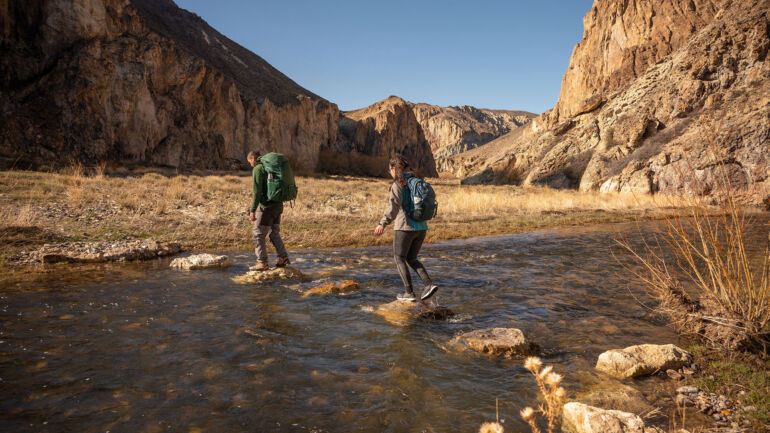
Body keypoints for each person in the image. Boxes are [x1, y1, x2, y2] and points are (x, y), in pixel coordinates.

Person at [374, 155, 439, 301]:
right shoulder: (417, 181)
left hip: (405, 227)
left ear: (393, 168)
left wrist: (382, 223)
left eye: (389, 169)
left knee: (399, 258)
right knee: (412, 258)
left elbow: (393, 207)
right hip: (422, 227)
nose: (389, 172)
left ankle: (409, 293)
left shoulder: (398, 184)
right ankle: (429, 285)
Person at [247, 150, 290, 270]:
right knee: (274, 233)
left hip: (266, 207)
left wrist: (252, 210)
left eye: (249, 162)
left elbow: (256, 191)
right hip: (278, 205)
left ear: (253, 159)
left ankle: (262, 262)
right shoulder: (272, 167)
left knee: (258, 234)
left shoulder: (258, 169)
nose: (250, 164)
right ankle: (283, 257)